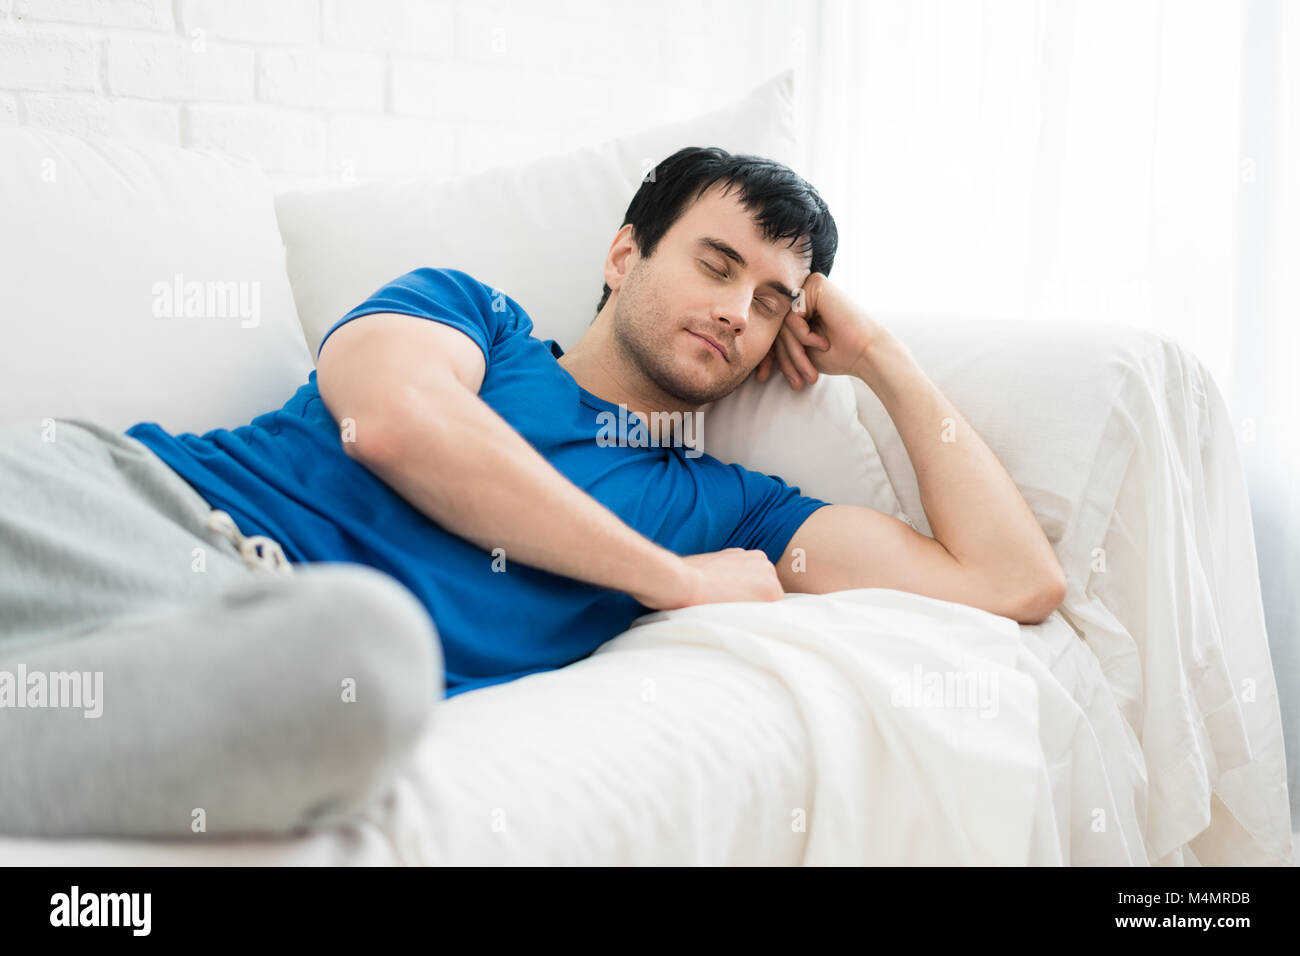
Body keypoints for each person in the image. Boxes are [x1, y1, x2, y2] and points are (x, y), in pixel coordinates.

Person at [0, 146, 1065, 839]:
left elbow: (1011, 579)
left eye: (773, 299)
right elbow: (395, 421)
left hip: (283, 651)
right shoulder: (470, 313)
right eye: (714, 262)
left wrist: (880, 357)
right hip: (135, 506)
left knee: (370, 662)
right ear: (623, 251)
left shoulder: (734, 509)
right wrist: (672, 581)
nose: (740, 309)